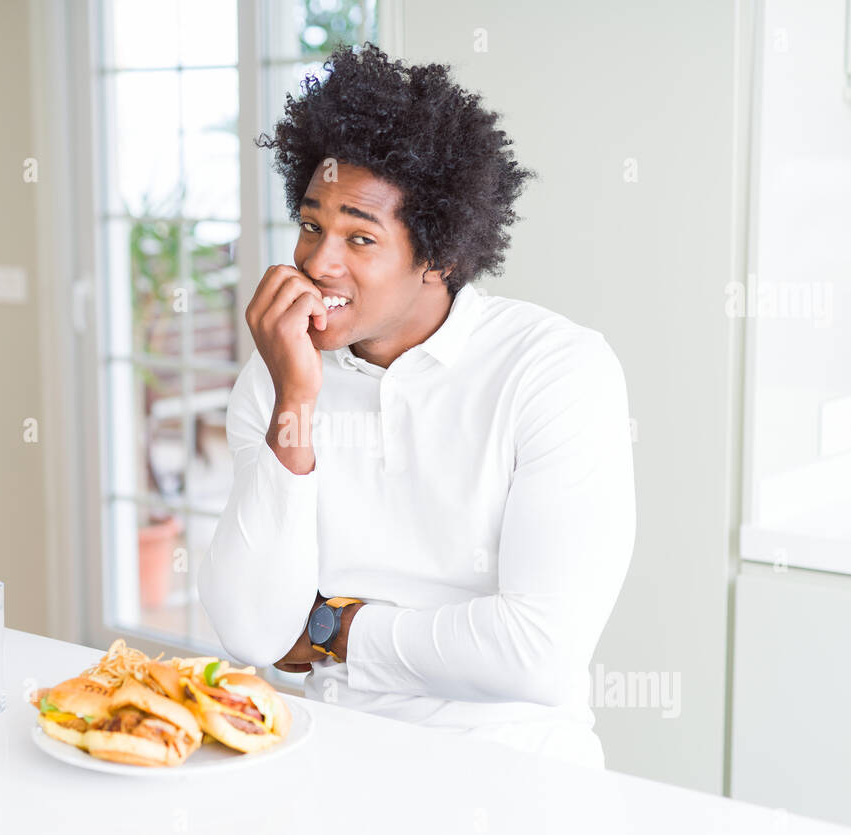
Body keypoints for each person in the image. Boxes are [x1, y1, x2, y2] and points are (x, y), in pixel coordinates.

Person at [196, 43, 635, 771]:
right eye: (311, 225)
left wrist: (334, 629)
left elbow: (536, 652)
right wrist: (295, 401)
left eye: (359, 237)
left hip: (511, 775)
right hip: (319, 762)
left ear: (441, 253)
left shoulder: (556, 370)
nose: (317, 262)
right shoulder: (281, 371)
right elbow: (250, 632)